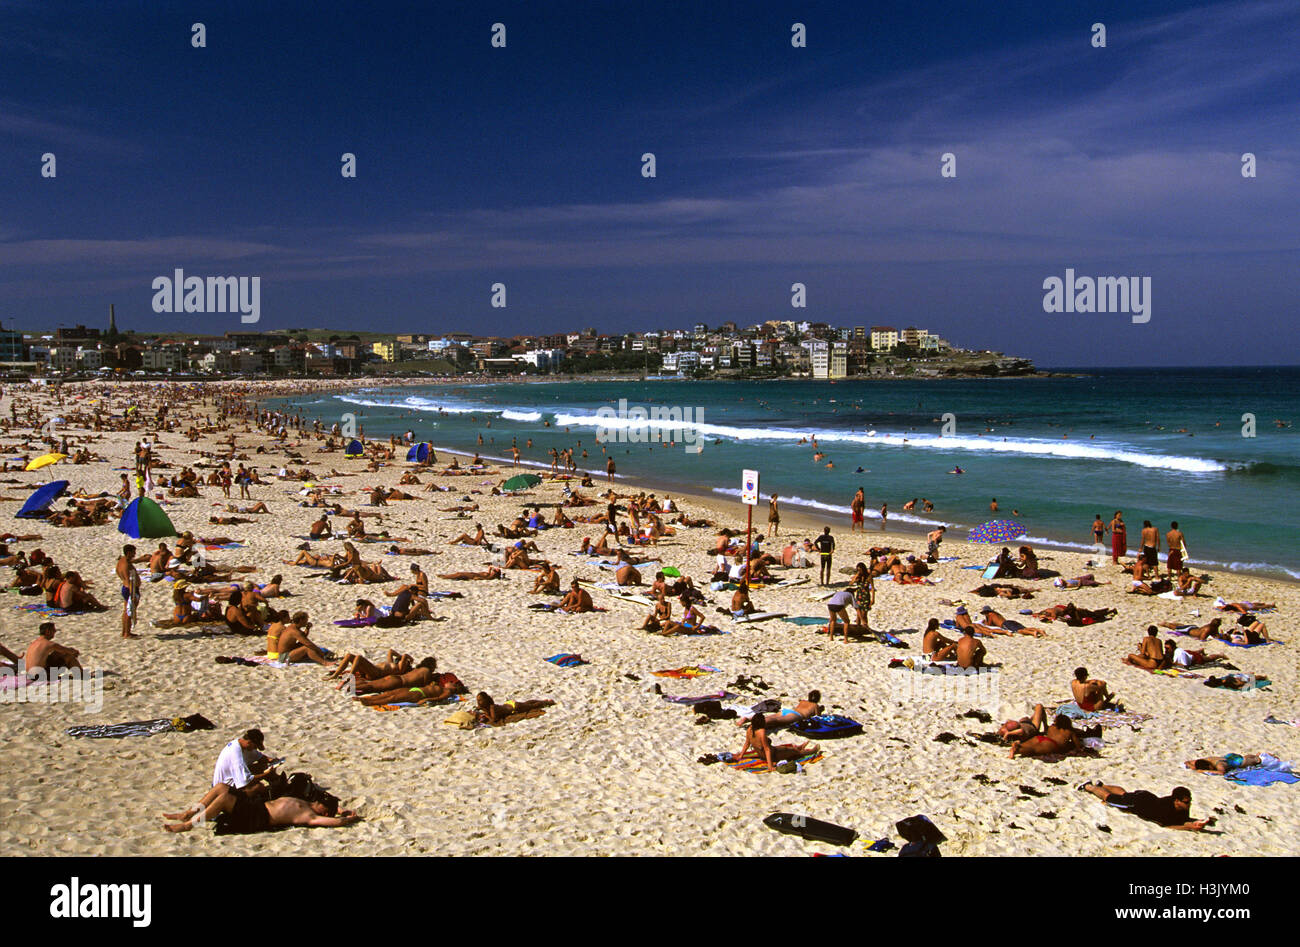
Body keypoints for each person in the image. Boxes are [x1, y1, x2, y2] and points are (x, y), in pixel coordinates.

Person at [163, 784, 360, 833]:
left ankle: (188, 825)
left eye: (322, 802)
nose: (318, 800)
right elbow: (334, 810)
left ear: (323, 811)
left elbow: (334, 822)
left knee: (224, 799)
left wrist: (348, 819)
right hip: (256, 806)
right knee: (221, 787)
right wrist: (342, 809)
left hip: (257, 816)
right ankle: (190, 812)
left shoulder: (310, 815)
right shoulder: (310, 804)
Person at [1079, 783, 1211, 831]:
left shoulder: (1181, 807)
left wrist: (1195, 823)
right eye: (1186, 802)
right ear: (1177, 801)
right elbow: (1168, 825)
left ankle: (1102, 784)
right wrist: (1188, 826)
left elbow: (1182, 820)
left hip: (1147, 797)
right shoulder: (1166, 810)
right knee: (1109, 798)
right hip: (1137, 803)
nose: (1189, 804)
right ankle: (1089, 787)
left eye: (1189, 801)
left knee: (1124, 793)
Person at [1009, 714, 1079, 758]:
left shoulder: (1051, 727)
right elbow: (1077, 745)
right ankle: (1016, 750)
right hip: (1052, 744)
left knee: (1028, 745)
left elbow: (1048, 734)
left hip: (1041, 738)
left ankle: (1016, 746)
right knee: (1033, 750)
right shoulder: (1070, 731)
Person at [475, 691, 555, 725]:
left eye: (480, 700)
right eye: (478, 700)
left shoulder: (492, 708)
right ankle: (543, 701)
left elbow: (494, 719)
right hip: (509, 704)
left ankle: (547, 702)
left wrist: (486, 716)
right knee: (527, 703)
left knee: (531, 706)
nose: (479, 702)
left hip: (514, 707)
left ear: (485, 700)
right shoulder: (484, 706)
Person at [116, 543, 140, 639]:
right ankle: (127, 633)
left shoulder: (121, 561)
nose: (135, 554)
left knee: (126, 610)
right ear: (129, 552)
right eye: (133, 552)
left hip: (126, 588)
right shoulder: (126, 564)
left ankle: (125, 632)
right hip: (130, 589)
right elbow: (127, 579)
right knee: (129, 612)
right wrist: (132, 593)